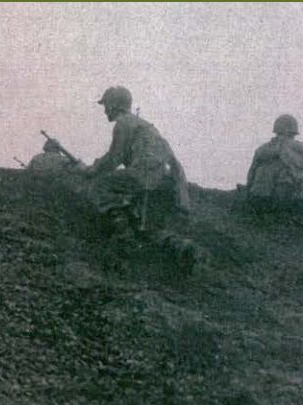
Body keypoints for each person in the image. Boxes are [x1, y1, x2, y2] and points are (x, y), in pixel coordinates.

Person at [62, 85, 201, 273]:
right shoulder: (145, 126)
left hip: (147, 173)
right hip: (169, 180)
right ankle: (183, 248)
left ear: (114, 105)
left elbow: (113, 159)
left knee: (100, 186)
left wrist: (89, 170)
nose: (104, 110)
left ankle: (123, 236)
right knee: (147, 228)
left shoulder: (125, 122)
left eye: (106, 105)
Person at [245, 114, 303, 230]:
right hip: (285, 196)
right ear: (293, 132)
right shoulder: (297, 146)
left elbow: (250, 176)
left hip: (260, 199)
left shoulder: (261, 149)